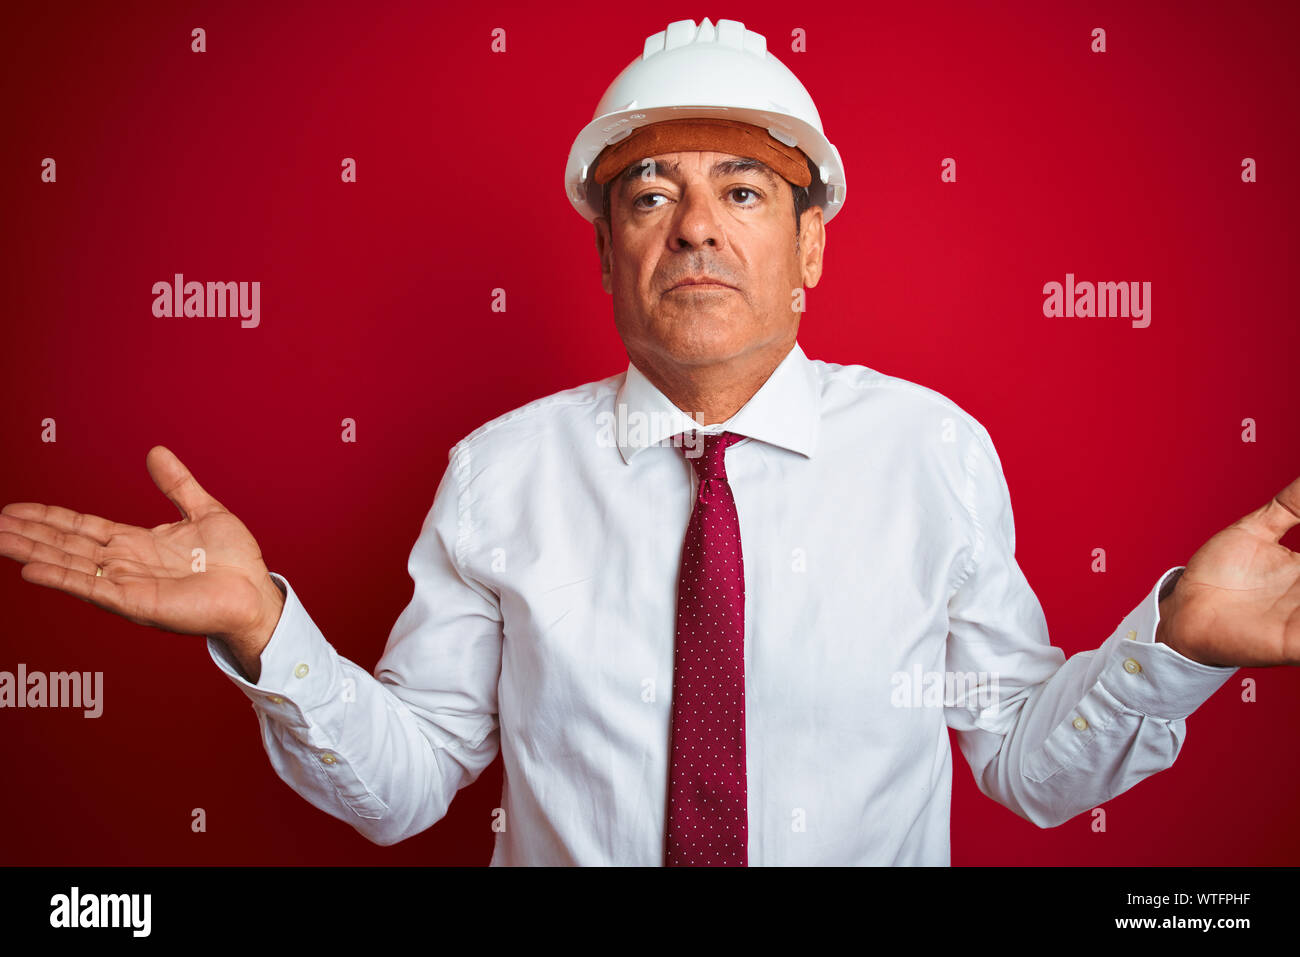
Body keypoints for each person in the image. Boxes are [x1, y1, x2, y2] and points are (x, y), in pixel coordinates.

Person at [2, 18, 1297, 866]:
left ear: (811, 248)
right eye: (649, 194)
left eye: (741, 191)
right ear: (610, 249)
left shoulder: (932, 455)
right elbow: (402, 789)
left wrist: (1174, 638)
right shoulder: (498, 472)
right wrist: (265, 631)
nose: (693, 226)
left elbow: (1022, 759)